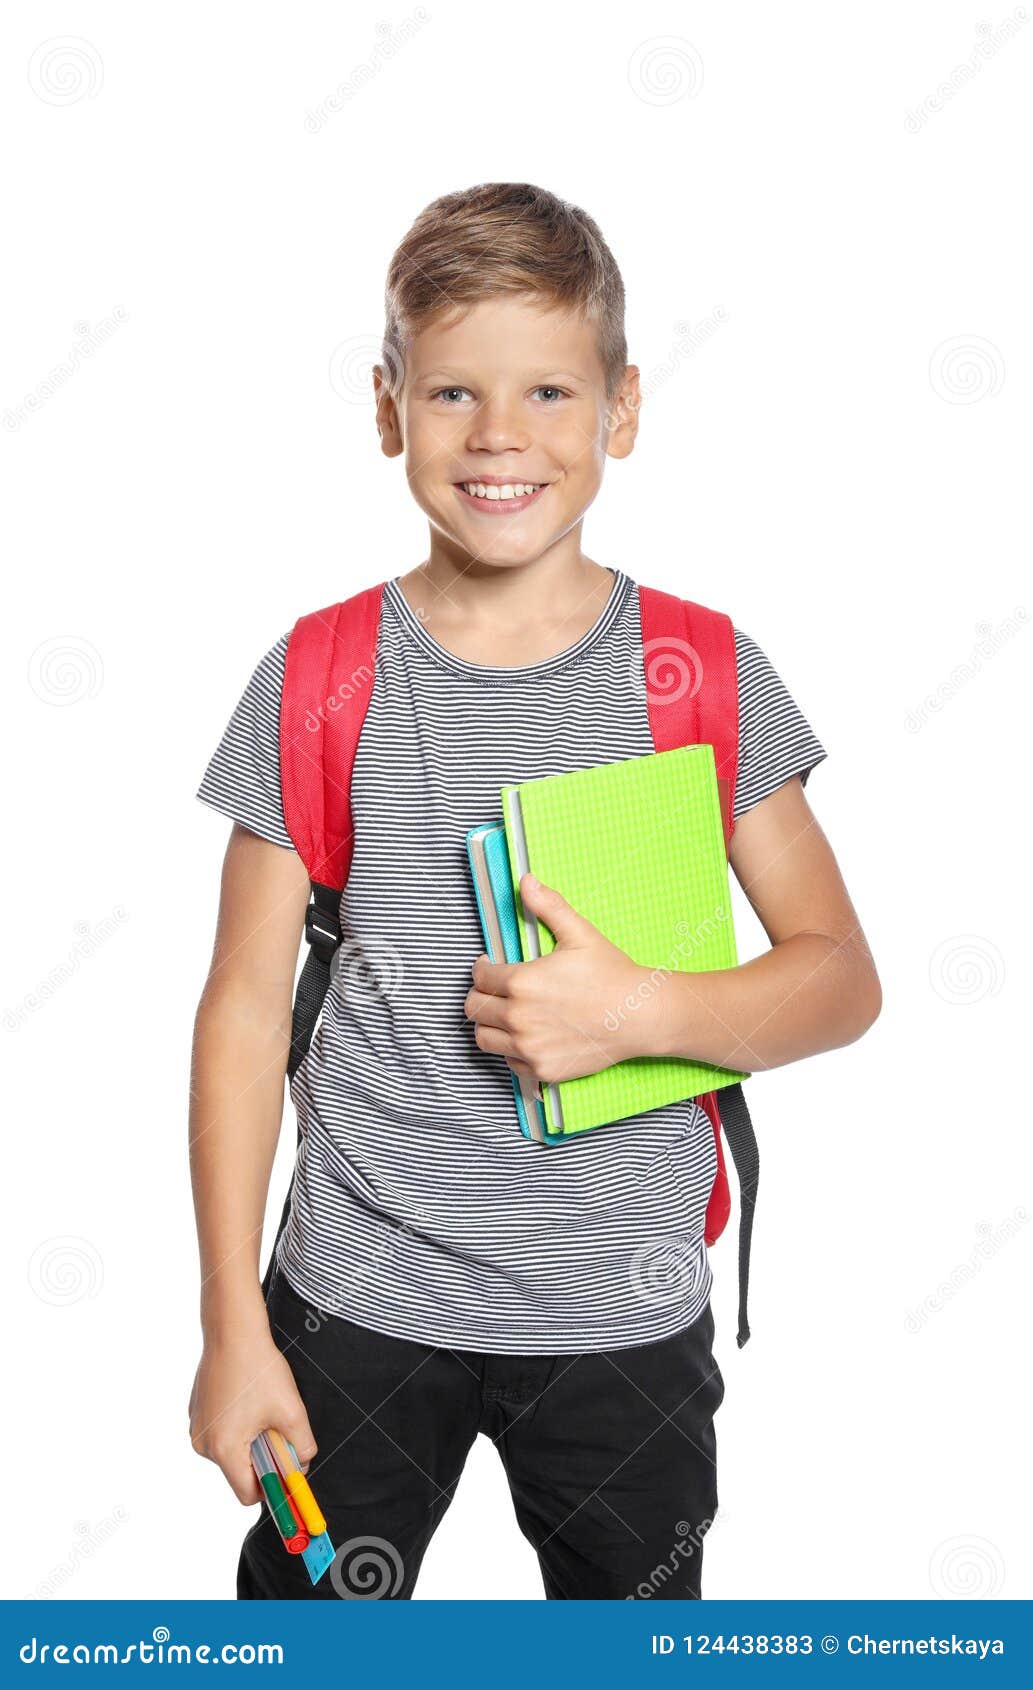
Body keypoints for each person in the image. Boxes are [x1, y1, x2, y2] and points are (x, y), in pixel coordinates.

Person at [187, 181, 882, 1600]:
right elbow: (244, 1013)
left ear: (621, 410)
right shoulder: (322, 679)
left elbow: (839, 976)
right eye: (451, 390)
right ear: (387, 409)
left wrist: (643, 1009)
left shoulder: (696, 673)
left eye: (549, 390)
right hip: (353, 1304)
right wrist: (229, 1327)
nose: (499, 437)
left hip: (617, 1314)